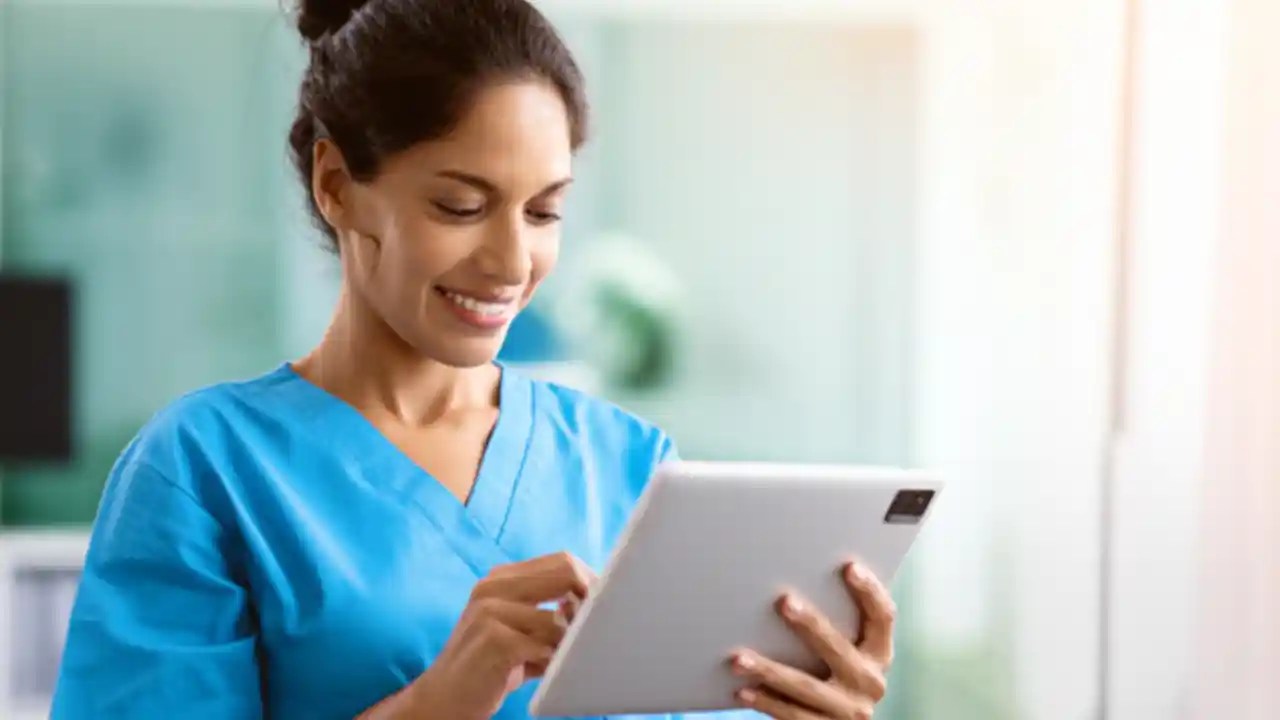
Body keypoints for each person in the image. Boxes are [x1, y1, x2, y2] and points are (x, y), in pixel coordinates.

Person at [50, 1, 898, 718]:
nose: (509, 261)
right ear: (337, 185)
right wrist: (434, 704)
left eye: (542, 212)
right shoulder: (207, 472)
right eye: (461, 206)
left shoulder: (633, 469)